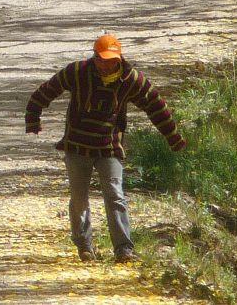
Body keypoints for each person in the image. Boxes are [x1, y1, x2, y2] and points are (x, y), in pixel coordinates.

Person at [24, 33, 186, 263]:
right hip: (77, 146)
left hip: (109, 147)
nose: (107, 65)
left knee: (115, 196)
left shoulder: (130, 79)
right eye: (103, 60)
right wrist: (33, 119)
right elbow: (46, 91)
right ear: (95, 57)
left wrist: (173, 137)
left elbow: (155, 105)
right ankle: (84, 246)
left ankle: (124, 249)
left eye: (112, 60)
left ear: (119, 59)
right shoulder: (77, 72)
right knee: (79, 199)